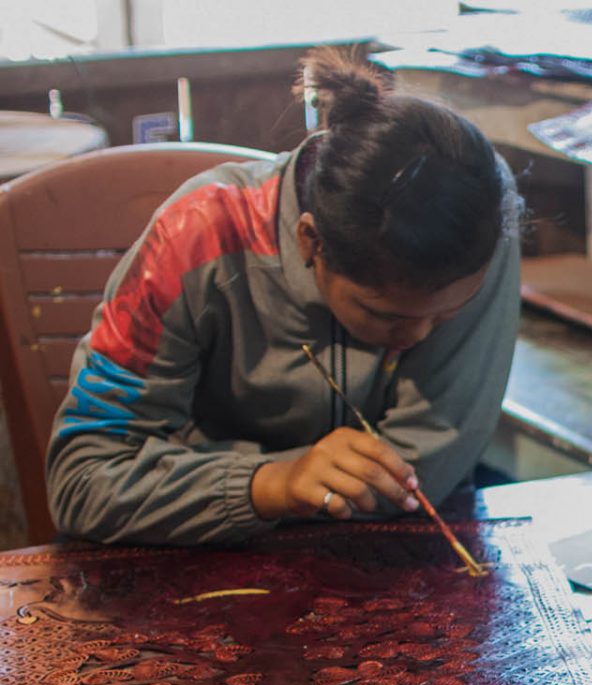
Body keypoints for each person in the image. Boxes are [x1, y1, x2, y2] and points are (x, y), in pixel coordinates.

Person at [46, 47, 521, 545]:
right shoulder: (197, 236)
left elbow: (421, 475)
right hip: (206, 557)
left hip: (395, 551)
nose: (417, 338)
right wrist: (271, 484)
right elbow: (82, 481)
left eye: (446, 313)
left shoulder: (483, 222)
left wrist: (210, 476)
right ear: (309, 241)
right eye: (385, 316)